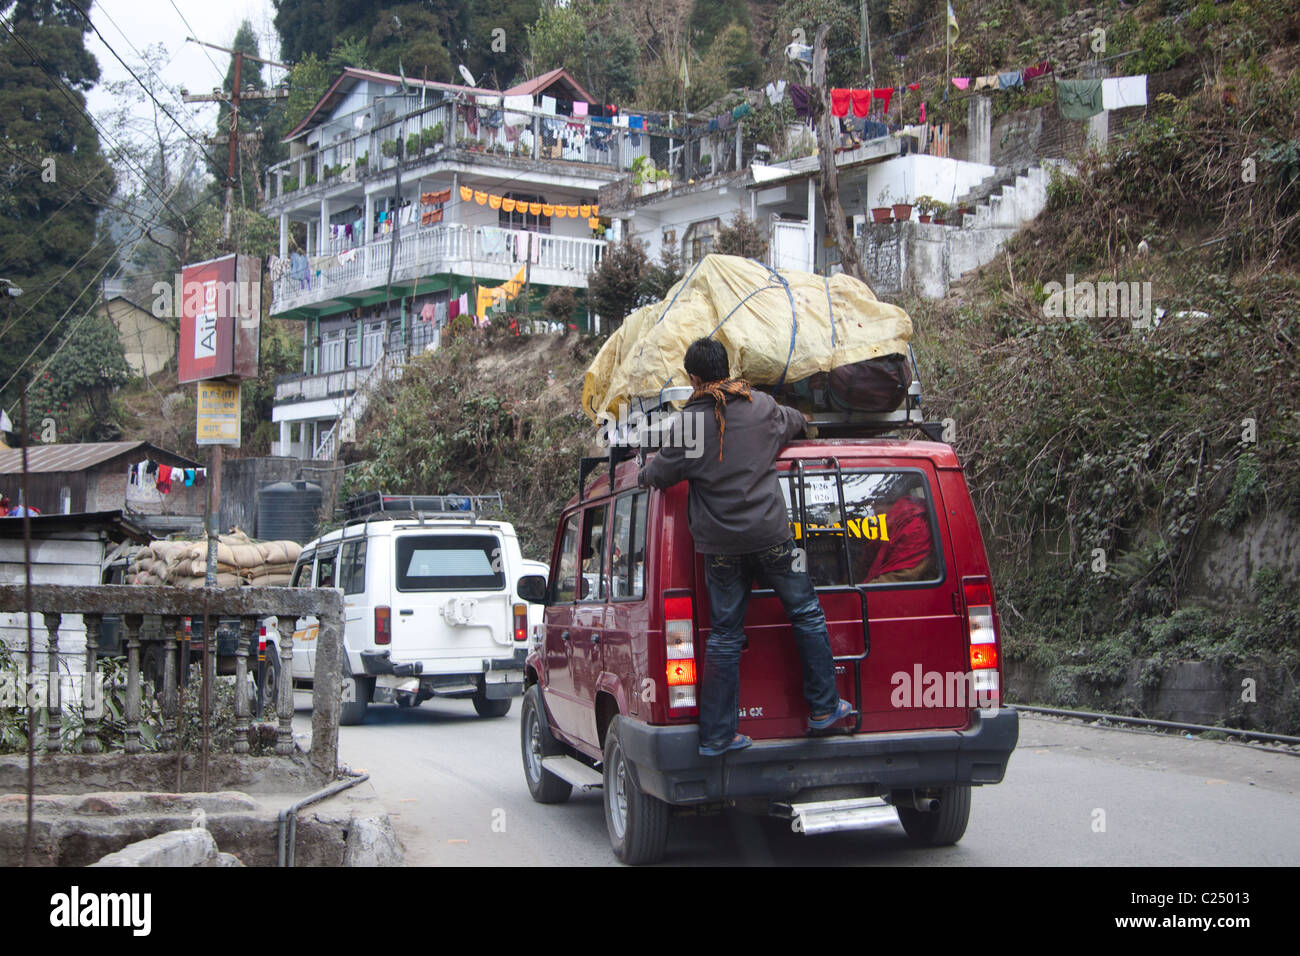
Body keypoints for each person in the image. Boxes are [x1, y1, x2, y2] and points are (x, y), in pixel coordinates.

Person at [638, 337, 853, 757]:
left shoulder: (689, 426)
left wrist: (645, 469)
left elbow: (660, 475)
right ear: (729, 368)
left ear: (694, 378)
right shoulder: (760, 407)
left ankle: (718, 735)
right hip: (773, 538)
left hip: (722, 550)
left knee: (724, 636)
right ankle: (825, 710)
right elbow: (795, 420)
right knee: (806, 612)